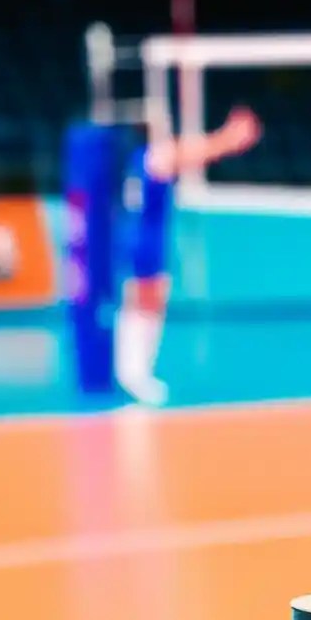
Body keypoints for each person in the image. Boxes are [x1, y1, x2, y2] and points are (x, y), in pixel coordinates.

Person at [116, 106, 262, 405]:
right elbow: (186, 153)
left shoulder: (135, 161)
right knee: (145, 303)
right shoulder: (153, 157)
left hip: (142, 236)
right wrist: (228, 138)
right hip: (146, 239)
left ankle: (134, 371)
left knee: (147, 302)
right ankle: (133, 373)